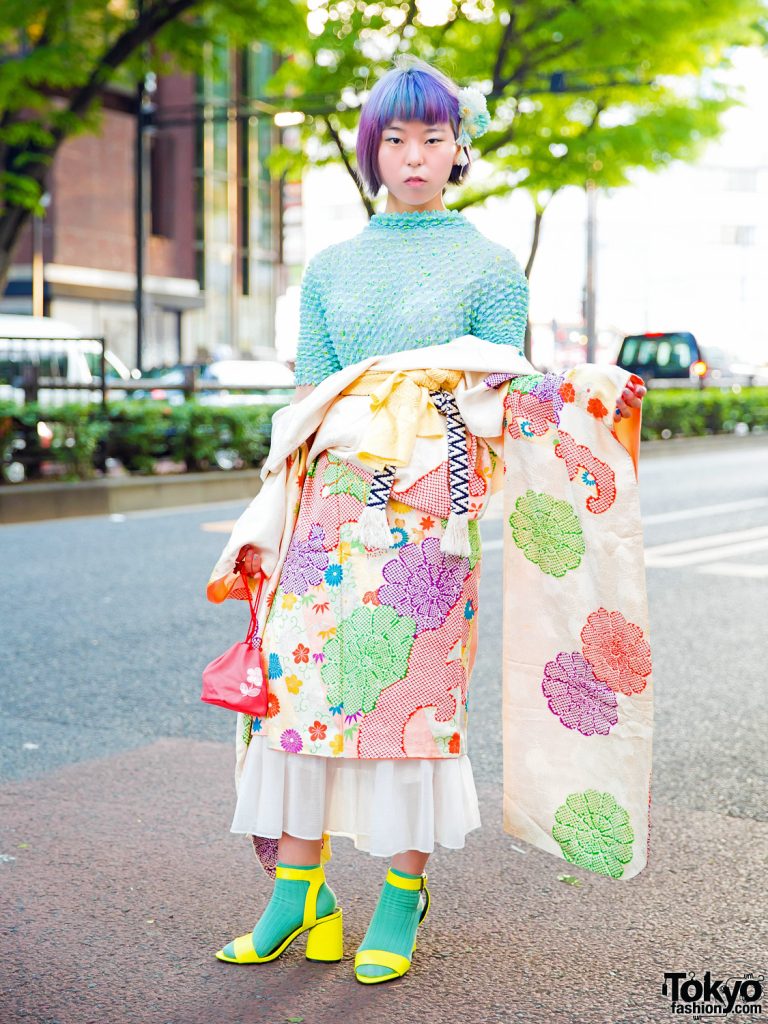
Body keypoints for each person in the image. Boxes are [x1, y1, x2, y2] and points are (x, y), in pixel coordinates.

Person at [213, 54, 646, 984]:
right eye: (397, 140)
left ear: (459, 149)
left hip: (429, 518)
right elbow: (308, 400)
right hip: (327, 509)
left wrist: (586, 393)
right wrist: (270, 519)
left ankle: (401, 898)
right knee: (299, 700)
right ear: (372, 151)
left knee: (413, 708)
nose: (414, 156)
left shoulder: (491, 268)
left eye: (433, 138)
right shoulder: (329, 270)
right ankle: (298, 895)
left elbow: (509, 392)